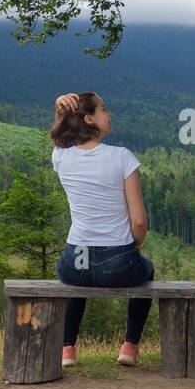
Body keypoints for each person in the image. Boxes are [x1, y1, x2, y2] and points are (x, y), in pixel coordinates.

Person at [49, 92, 154, 367]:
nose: (109, 114)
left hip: (76, 261)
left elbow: (59, 139)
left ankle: (67, 349)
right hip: (118, 262)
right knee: (148, 270)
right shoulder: (122, 158)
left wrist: (60, 108)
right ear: (89, 119)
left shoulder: (61, 158)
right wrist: (134, 248)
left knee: (77, 282)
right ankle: (129, 346)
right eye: (103, 109)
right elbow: (140, 222)